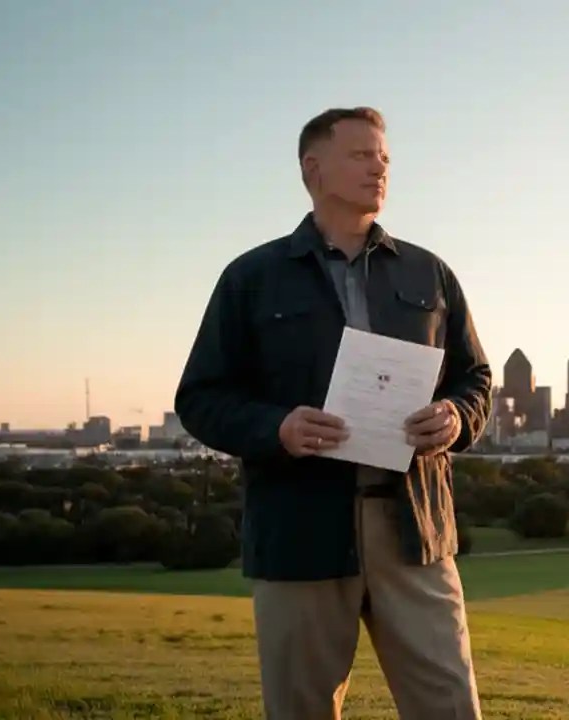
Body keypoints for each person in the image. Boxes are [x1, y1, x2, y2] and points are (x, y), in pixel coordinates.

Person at [175, 106, 491, 719]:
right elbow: (201, 397)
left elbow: (474, 378)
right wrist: (277, 429)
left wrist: (456, 416)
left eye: (384, 157)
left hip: (415, 531)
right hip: (300, 533)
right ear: (313, 169)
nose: (379, 167)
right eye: (361, 154)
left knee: (451, 707)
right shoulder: (251, 278)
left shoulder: (430, 272)